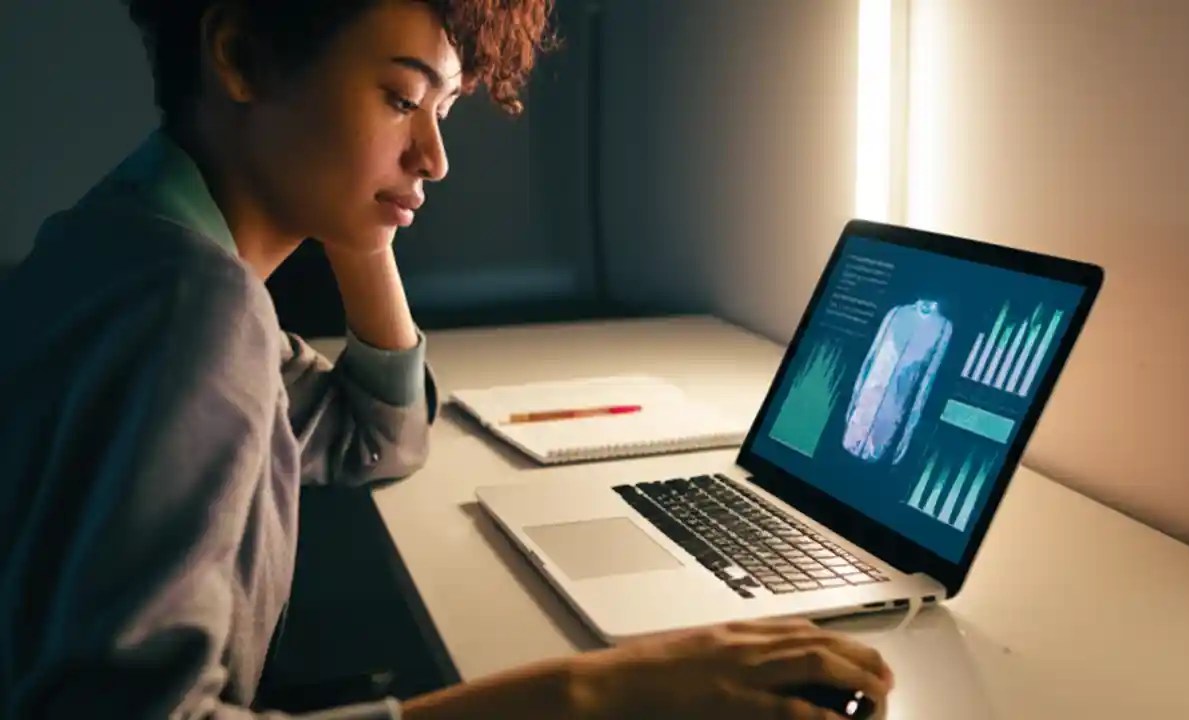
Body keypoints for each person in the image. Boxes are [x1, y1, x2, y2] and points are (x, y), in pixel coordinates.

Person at [0, 1, 895, 718]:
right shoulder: (193, 309)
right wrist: (586, 696)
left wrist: (363, 218)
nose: (435, 156)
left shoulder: (130, 246)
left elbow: (377, 438)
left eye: (446, 110)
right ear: (239, 54)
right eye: (400, 99)